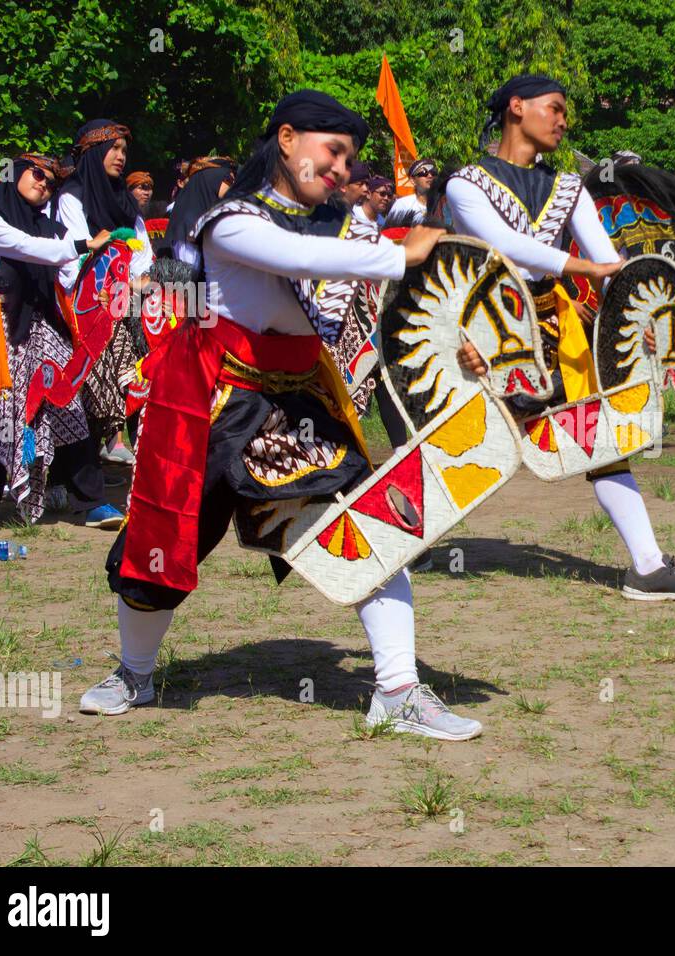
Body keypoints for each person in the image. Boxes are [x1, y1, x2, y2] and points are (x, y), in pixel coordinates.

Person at [79, 90, 484, 741]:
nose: (342, 169)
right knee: (157, 548)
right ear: (288, 138)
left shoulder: (346, 226)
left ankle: (400, 691)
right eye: (334, 151)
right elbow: (299, 259)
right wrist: (401, 251)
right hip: (212, 405)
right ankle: (134, 674)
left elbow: (362, 299)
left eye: (350, 159)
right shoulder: (231, 219)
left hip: (298, 405)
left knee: (373, 529)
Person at [446, 73, 675, 602]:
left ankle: (648, 564)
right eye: (555, 108)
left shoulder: (569, 186)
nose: (564, 120)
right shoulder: (466, 184)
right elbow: (505, 248)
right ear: (516, 108)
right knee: (459, 445)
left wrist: (641, 316)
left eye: (565, 111)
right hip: (487, 330)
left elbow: (608, 262)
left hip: (557, 326)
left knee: (604, 439)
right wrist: (582, 266)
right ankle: (392, 551)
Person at [0, 154, 116, 528]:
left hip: (44, 330)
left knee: (69, 406)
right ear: (16, 174)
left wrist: (96, 285)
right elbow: (29, 248)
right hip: (2, 336)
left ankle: (90, 501)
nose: (43, 183)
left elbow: (68, 274)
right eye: (36, 174)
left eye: (50, 180)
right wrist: (82, 245)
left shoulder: (53, 228)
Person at [54, 119, 155, 492]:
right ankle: (69, 480)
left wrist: (132, 287)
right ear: (95, 151)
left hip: (124, 312)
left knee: (129, 384)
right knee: (83, 395)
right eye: (114, 149)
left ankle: (101, 475)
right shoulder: (71, 198)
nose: (121, 156)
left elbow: (144, 262)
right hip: (79, 317)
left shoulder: (125, 202)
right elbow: (75, 255)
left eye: (124, 150)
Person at [166, 156, 236, 267]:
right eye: (231, 181)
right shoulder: (223, 174)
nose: (233, 186)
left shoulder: (196, 181)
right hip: (190, 250)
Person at [388, 158, 436, 225]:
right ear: (413, 180)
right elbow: (389, 232)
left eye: (433, 172)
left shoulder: (442, 203)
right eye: (424, 173)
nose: (430, 176)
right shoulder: (403, 204)